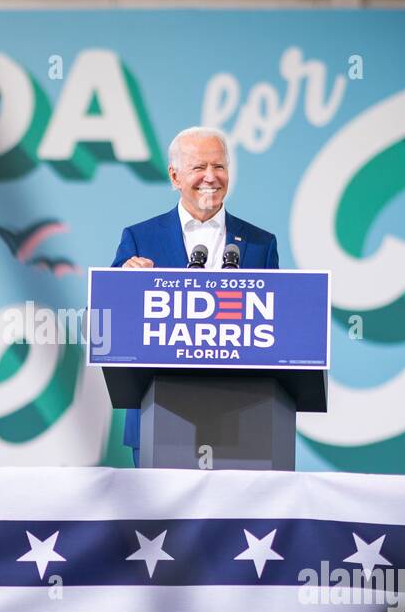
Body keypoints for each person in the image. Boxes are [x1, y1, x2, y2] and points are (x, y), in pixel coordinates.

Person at [110, 126, 280, 467]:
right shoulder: (140, 238)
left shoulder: (261, 244)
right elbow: (101, 322)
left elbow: (278, 330)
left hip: (243, 417)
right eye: (199, 167)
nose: (211, 177)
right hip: (157, 414)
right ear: (174, 176)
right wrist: (124, 288)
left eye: (219, 167)